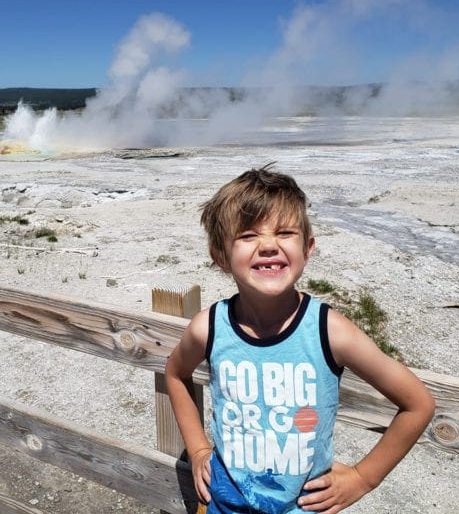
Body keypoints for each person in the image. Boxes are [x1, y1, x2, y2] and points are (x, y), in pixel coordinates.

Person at [165, 165, 435, 513]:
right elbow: (175, 373)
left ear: (307, 248)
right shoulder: (209, 327)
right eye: (247, 236)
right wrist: (199, 449)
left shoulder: (329, 331)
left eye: (285, 232)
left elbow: (418, 404)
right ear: (220, 257)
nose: (268, 246)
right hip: (225, 503)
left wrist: (363, 478)